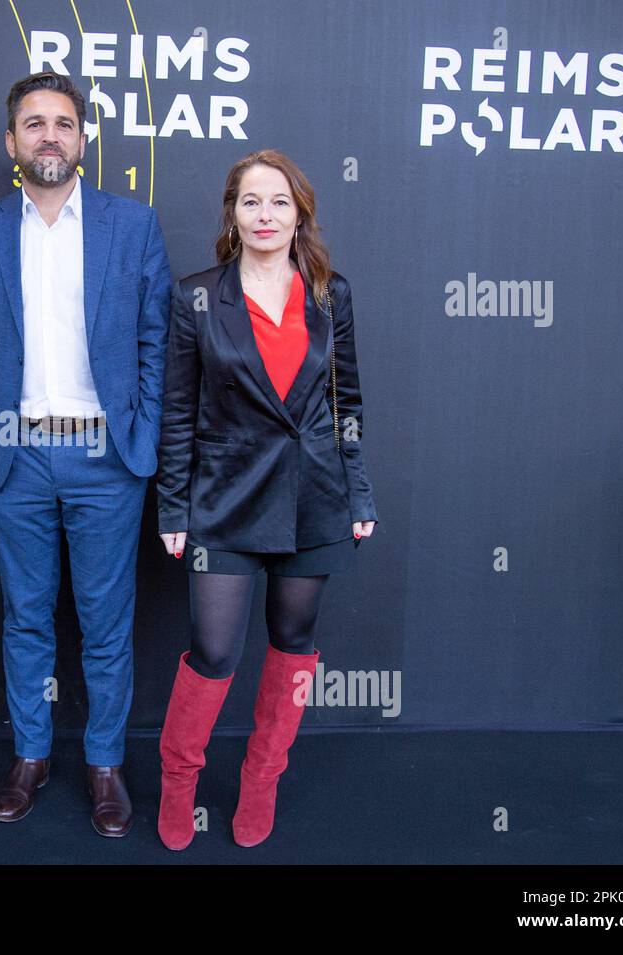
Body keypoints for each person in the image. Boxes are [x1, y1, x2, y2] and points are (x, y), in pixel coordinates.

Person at [0, 71, 171, 837]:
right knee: (25, 617)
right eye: (34, 123)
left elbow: (155, 341)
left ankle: (105, 763)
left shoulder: (132, 225)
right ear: (11, 141)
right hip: (15, 458)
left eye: (65, 123)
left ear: (84, 138)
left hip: (106, 459)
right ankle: (32, 755)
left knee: (107, 620)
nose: (51, 135)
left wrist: (139, 438)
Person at [154, 148, 379, 850]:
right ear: (232, 213)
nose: (264, 214)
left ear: (299, 213)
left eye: (278, 201)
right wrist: (173, 506)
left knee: (294, 646)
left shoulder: (329, 293)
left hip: (314, 496)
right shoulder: (196, 294)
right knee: (213, 651)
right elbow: (176, 409)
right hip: (223, 499)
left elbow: (347, 401)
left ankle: (262, 778)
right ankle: (179, 780)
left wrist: (358, 489)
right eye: (250, 201)